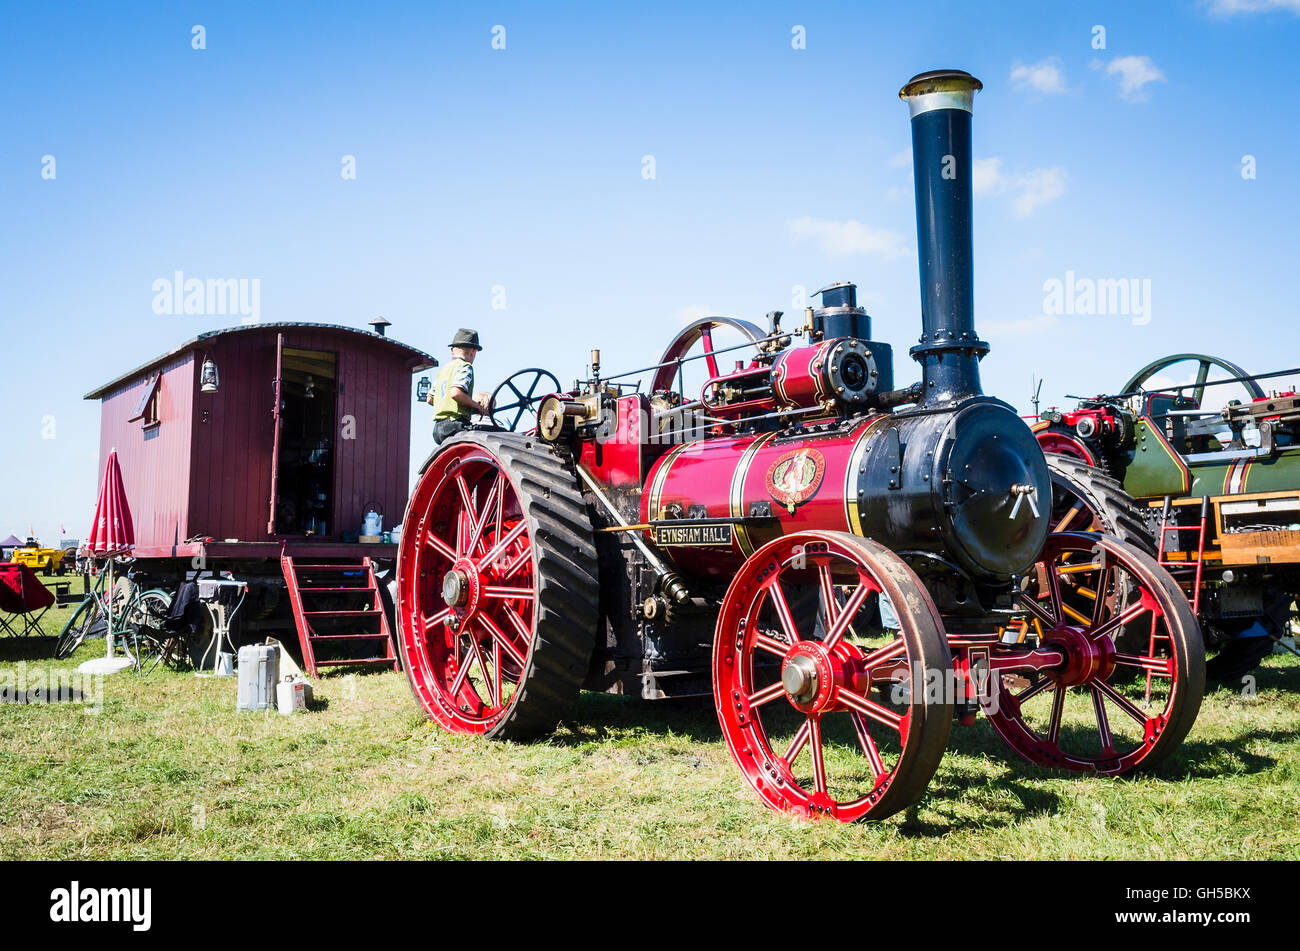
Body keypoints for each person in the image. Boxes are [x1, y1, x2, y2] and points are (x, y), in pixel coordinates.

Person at [429, 328, 494, 443]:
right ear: (473, 352)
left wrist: (445, 404)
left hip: (438, 429)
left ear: (452, 350)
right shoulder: (465, 367)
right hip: (455, 425)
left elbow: (430, 399)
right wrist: (478, 407)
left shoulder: (443, 370)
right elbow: (456, 393)